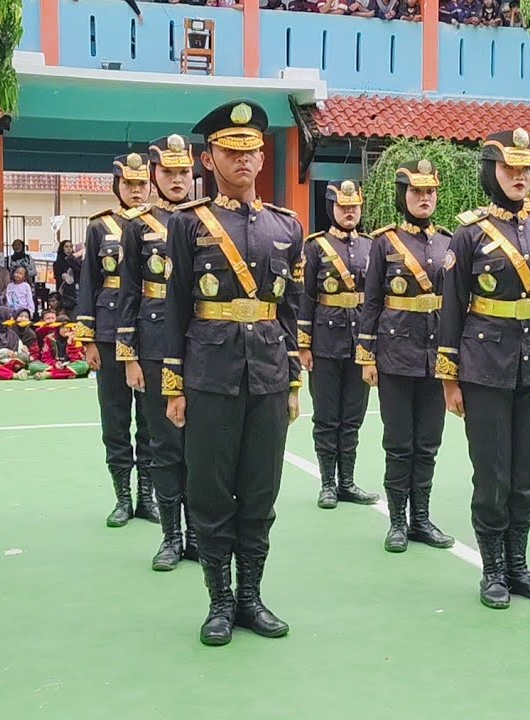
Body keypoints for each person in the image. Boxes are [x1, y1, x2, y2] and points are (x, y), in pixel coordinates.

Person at [163, 100, 304, 646]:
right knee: (211, 491)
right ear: (209, 158)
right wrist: (174, 385)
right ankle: (220, 601)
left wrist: (293, 381)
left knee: (260, 491)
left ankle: (251, 597)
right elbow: (175, 308)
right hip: (210, 374)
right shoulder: (188, 223)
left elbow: (289, 311)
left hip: (267, 375)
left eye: (251, 151)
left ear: (263, 157)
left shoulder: (285, 226)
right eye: (231, 150)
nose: (243, 159)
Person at [437, 127, 530, 609]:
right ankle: (493, 569)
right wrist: (449, 377)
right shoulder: (469, 234)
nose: (520, 176)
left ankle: (518, 565)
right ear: (492, 172)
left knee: (527, 473)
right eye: (510, 168)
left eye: (526, 168)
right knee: (492, 475)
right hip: (484, 366)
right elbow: (452, 307)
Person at [356, 159, 455, 553]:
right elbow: (371, 302)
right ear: (403, 196)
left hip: (435, 356)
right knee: (399, 442)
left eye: (430, 191)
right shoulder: (385, 243)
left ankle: (421, 520)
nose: (424, 198)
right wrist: (367, 355)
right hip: (395, 354)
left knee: (428, 442)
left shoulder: (449, 242)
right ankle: (397, 521)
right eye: (416, 191)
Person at [118, 135, 198, 569]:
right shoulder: (137, 226)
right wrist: (129, 356)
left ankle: (198, 534)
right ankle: (171, 536)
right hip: (152, 345)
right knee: (165, 444)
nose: (177, 179)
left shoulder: (206, 220)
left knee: (200, 446)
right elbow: (128, 293)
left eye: (183, 171)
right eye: (169, 172)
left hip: (201, 345)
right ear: (155, 175)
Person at [74, 153, 154, 529]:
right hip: (107, 332)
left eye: (141, 184)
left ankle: (147, 497)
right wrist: (87, 339)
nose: (136, 190)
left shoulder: (160, 224)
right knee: (115, 417)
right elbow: (88, 283)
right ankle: (122, 498)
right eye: (129, 184)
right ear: (116, 186)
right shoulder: (99, 227)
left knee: (151, 419)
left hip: (149, 329)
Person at [298, 182, 379, 510]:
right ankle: (328, 484)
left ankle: (347, 481)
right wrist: (303, 344)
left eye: (354, 207)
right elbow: (305, 297)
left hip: (360, 343)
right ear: (331, 208)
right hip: (325, 342)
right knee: (326, 416)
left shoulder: (371, 246)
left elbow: (375, 300)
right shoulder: (315, 247)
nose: (349, 212)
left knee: (352, 416)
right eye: (343, 207)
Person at [53, 240, 81, 316]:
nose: (69, 249)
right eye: (66, 247)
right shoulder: (58, 263)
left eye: (70, 247)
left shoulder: (75, 261)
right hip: (63, 293)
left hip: (75, 294)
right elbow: (57, 277)